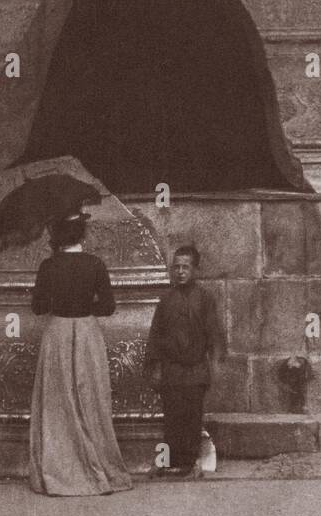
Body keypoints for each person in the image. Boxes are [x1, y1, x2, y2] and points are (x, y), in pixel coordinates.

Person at [28, 207, 131, 497]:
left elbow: (37, 307)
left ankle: (59, 470)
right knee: (90, 398)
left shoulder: (49, 266)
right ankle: (98, 466)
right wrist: (84, 309)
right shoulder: (95, 264)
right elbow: (108, 307)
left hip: (58, 333)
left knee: (57, 401)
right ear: (81, 233)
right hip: (87, 334)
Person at [145, 244, 222, 480]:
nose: (180, 272)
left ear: (195, 270)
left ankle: (194, 462)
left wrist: (214, 363)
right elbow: (156, 335)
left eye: (185, 267)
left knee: (192, 417)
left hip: (195, 369)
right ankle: (168, 462)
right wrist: (156, 366)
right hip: (172, 369)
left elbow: (214, 334)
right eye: (176, 267)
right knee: (172, 417)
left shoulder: (205, 298)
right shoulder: (166, 300)